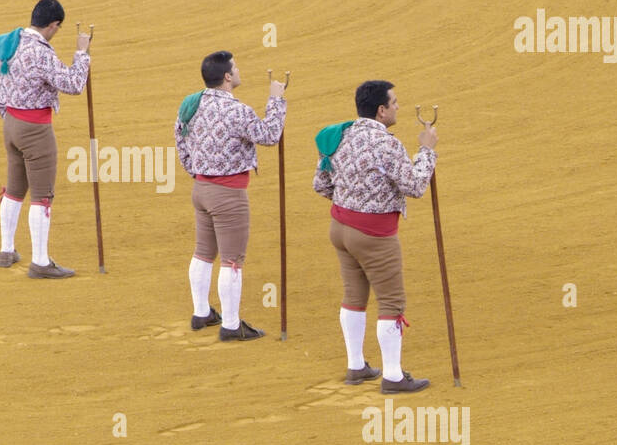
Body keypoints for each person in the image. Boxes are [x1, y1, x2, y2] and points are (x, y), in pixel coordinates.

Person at [312, 80, 437, 391]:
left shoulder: (338, 136)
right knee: (391, 301)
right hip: (374, 235)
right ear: (381, 111)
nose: (398, 107)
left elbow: (321, 184)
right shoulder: (387, 145)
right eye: (394, 103)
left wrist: (351, 202)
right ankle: (393, 376)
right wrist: (427, 151)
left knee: (354, 297)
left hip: (340, 229)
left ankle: (356, 366)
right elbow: (415, 186)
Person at [175, 51, 286, 341]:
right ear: (226, 77)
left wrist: (196, 171)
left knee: (203, 252)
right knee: (232, 260)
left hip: (201, 190)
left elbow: (180, 139)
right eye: (235, 67)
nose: (238, 71)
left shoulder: (191, 105)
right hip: (229, 195)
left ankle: (201, 312)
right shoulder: (238, 111)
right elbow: (270, 135)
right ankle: (232, 325)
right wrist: (276, 99)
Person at [0, 0, 92, 277]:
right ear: (54, 25)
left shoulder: (7, 43)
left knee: (14, 188)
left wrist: (5, 112)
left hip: (11, 125)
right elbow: (74, 85)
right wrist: (82, 54)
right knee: (42, 195)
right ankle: (41, 262)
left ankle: (6, 249)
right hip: (35, 130)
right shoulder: (40, 52)